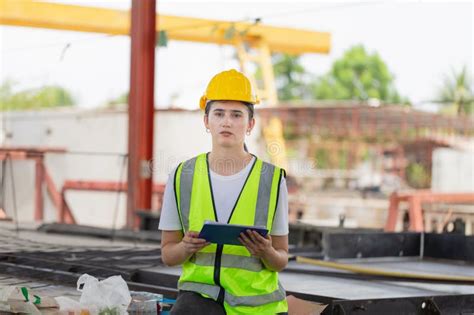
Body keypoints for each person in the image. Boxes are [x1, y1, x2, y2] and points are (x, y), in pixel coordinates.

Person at [159, 69, 289, 314]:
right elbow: (168, 254)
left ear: (250, 124)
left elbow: (281, 259)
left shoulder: (271, 180)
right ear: (206, 121)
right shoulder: (181, 176)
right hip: (201, 301)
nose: (227, 121)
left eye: (236, 114)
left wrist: (267, 252)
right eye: (219, 113)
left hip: (257, 307)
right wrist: (185, 248)